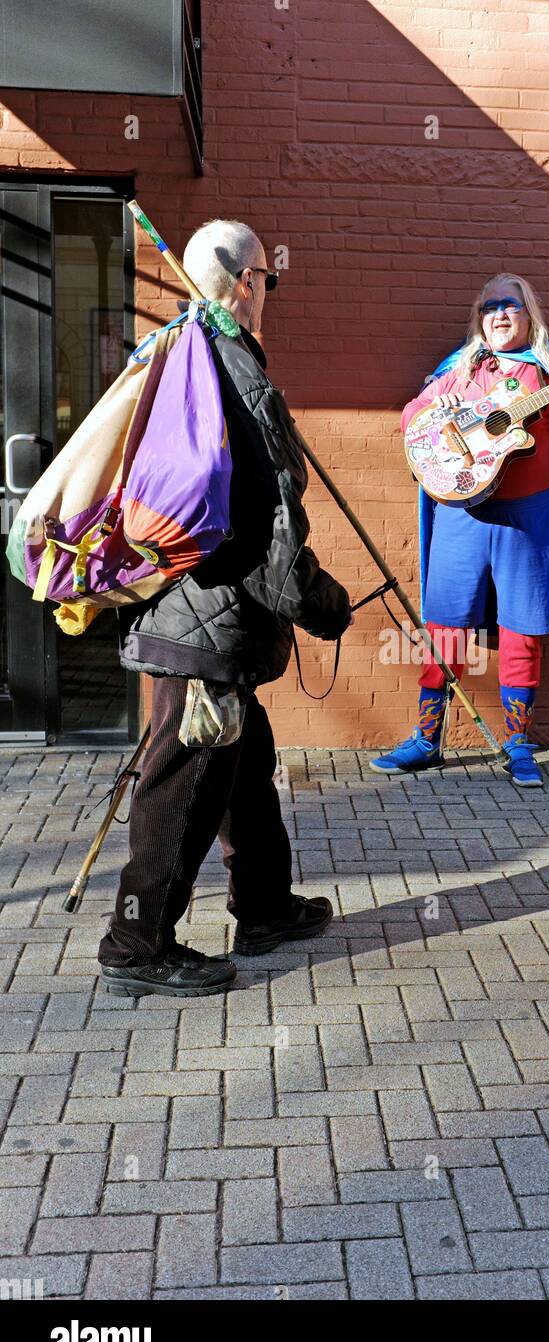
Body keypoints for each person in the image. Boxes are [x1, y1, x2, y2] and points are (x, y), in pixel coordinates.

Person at [98, 219, 351, 998]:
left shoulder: (183, 352)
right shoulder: (237, 373)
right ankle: (136, 945)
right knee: (182, 786)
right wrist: (321, 604)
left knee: (244, 762)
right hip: (207, 628)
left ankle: (265, 909)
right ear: (245, 282)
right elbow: (275, 525)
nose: (269, 290)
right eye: (269, 277)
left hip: (191, 613)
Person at [371, 272, 549, 788]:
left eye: (512, 306)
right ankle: (427, 739)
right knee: (444, 627)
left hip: (529, 521)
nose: (500, 314)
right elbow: (414, 418)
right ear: (479, 318)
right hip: (462, 515)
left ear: (531, 316)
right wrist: (434, 414)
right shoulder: (457, 369)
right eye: (491, 307)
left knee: (523, 630)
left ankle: (518, 744)